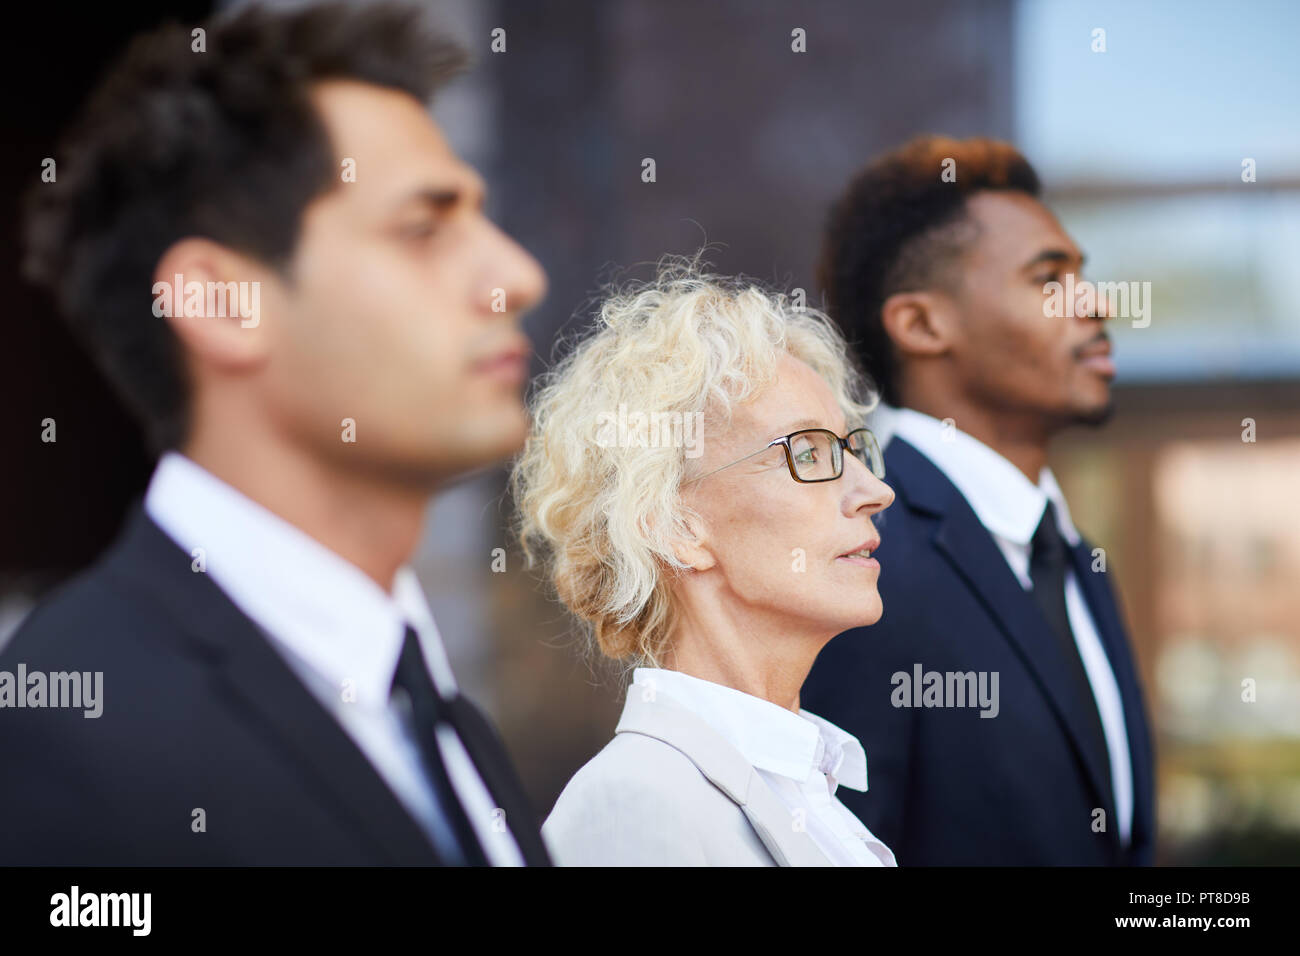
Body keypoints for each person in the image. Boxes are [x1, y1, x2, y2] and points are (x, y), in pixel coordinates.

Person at [0, 1, 551, 866]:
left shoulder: (444, 723)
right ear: (222, 303)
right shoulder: (68, 732)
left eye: (479, 218)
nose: (517, 276)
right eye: (422, 228)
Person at [802, 135, 1156, 865]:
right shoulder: (860, 551)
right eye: (1048, 277)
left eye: (1082, 273)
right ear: (922, 324)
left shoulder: (1074, 555)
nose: (1093, 302)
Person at [511, 257, 897, 865]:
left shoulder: (804, 788)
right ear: (673, 526)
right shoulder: (631, 807)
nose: (875, 491)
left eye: (853, 448)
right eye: (808, 452)